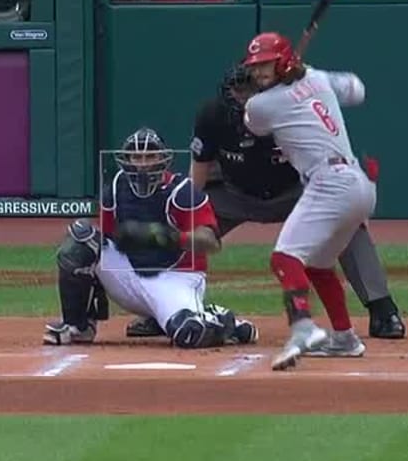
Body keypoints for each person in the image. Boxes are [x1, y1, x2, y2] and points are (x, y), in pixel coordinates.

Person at [124, 63, 405, 342]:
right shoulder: (213, 114)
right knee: (179, 232)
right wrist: (186, 213)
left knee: (349, 228)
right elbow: (199, 169)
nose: (242, 96)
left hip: (294, 192)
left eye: (249, 90)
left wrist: (346, 208)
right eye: (236, 91)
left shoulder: (286, 108)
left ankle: (382, 309)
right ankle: (164, 309)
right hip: (233, 194)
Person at [238, 32, 379, 372]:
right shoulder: (316, 78)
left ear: (284, 59)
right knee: (316, 265)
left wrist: (299, 81)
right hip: (360, 186)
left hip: (330, 184)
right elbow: (357, 89)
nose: (258, 73)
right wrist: (312, 77)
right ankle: (344, 338)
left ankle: (302, 327)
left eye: (266, 65)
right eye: (256, 67)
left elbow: (254, 123)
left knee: (284, 258)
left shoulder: (261, 105)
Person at [44, 127, 258, 348]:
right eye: (137, 157)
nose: (143, 163)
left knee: (190, 333)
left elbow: (211, 242)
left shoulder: (181, 191)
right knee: (82, 238)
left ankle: (221, 320)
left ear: (163, 159)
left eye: (150, 156)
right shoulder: (116, 187)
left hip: (175, 277)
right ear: (127, 160)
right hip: (129, 272)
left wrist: (162, 237)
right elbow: (104, 242)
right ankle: (77, 326)